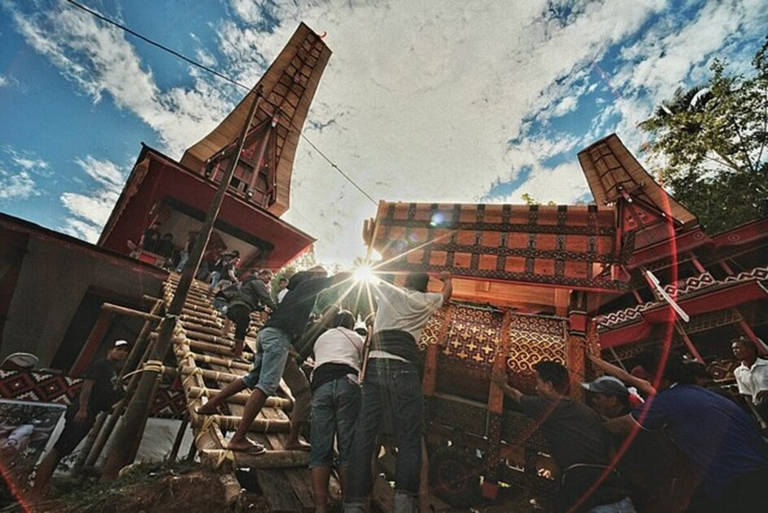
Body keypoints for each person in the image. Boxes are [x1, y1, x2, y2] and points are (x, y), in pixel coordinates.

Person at [197, 267, 351, 454]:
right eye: (321, 275)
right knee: (267, 385)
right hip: (278, 338)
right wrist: (357, 274)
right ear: (314, 276)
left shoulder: (296, 295)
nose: (324, 277)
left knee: (253, 379)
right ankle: (238, 438)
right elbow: (336, 279)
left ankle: (210, 404)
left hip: (268, 335)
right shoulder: (308, 285)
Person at [604, 353, 768, 513]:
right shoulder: (697, 392)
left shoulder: (668, 401)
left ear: (662, 378)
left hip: (737, 480)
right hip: (756, 469)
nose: (641, 386)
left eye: (646, 379)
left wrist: (587, 420)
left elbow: (621, 426)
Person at [344, 271, 452, 513]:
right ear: (424, 288)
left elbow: (375, 277)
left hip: (376, 365)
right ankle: (404, 504)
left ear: (405, 282)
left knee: (364, 435)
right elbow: (446, 295)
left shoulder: (390, 291)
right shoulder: (425, 301)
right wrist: (447, 279)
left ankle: (353, 503)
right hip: (404, 368)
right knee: (410, 438)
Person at [493, 361, 635, 513]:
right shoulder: (589, 413)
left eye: (538, 382)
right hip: (618, 494)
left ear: (548, 385)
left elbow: (517, 396)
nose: (536, 388)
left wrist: (502, 384)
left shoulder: (546, 406)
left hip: (587, 492)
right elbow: (612, 452)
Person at [582, 375, 696, 513]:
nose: (594, 402)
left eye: (598, 397)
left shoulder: (627, 428)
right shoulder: (626, 423)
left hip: (649, 496)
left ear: (613, 400)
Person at [32, 340, 130, 495]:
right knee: (59, 449)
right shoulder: (100, 365)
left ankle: (42, 485)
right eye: (119, 349)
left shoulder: (113, 371)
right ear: (109, 349)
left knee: (63, 450)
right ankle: (37, 488)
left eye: (125, 351)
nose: (122, 353)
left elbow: (107, 397)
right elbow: (87, 387)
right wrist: (83, 409)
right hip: (81, 410)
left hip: (91, 412)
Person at [310, 309, 365, 513]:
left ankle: (320, 508)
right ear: (351, 324)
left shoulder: (322, 337)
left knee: (320, 449)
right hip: (347, 384)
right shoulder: (357, 337)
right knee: (347, 447)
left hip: (321, 386)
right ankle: (350, 506)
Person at [222, 269, 276, 359]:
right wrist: (276, 309)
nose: (268, 281)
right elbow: (265, 297)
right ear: (262, 275)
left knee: (244, 325)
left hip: (235, 307)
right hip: (240, 306)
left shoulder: (250, 284)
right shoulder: (258, 282)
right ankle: (238, 353)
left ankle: (236, 348)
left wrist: (262, 308)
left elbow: (252, 302)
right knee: (243, 325)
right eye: (268, 278)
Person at [732, 337, 768, 421]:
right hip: (763, 411)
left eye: (738, 348)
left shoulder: (766, 365)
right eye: (733, 349)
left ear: (750, 349)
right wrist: (759, 418)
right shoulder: (738, 372)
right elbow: (747, 396)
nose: (735, 351)